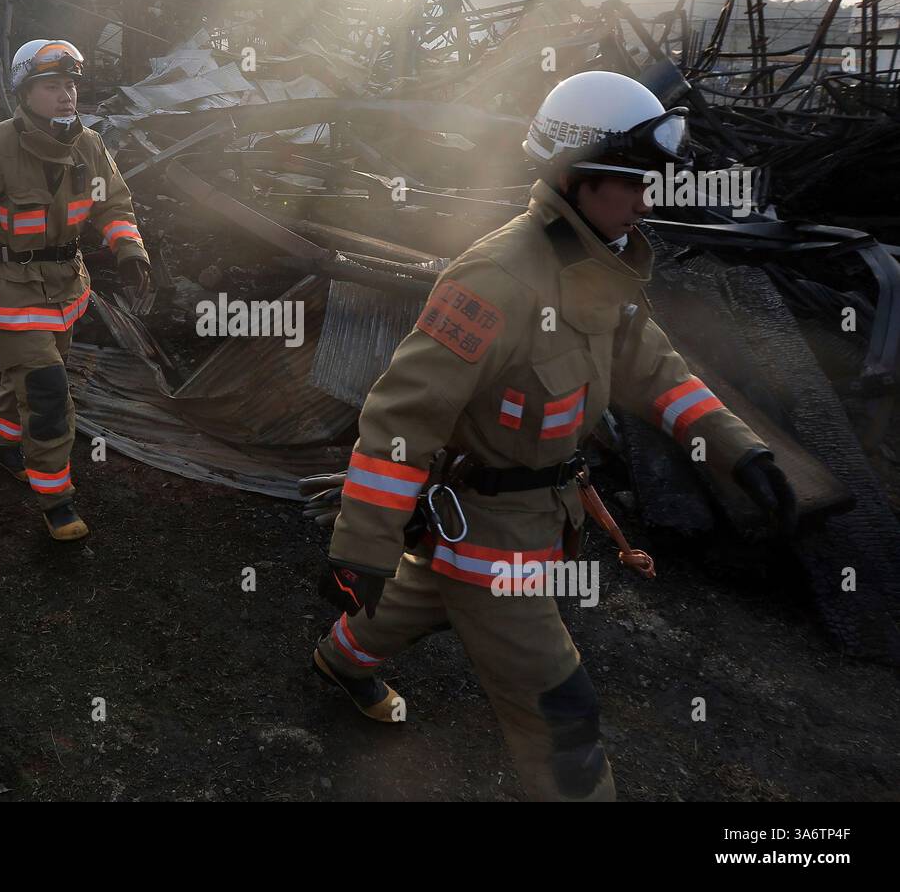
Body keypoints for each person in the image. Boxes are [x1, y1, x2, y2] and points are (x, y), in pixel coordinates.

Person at [308, 70, 797, 801]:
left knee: (424, 599)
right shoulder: (493, 282)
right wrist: (362, 545)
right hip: (487, 537)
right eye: (631, 182)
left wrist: (741, 453)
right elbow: (401, 419)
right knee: (560, 712)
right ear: (573, 177)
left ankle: (341, 660)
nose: (645, 200)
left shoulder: (598, 268)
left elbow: (655, 370)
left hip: (541, 519)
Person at [0, 39, 150, 542]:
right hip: (9, 294)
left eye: (71, 85)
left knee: (24, 375)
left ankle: (6, 449)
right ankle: (56, 500)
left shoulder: (89, 145)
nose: (66, 96)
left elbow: (113, 204)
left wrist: (129, 250)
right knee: (46, 391)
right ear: (24, 92)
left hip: (66, 288)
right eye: (51, 86)